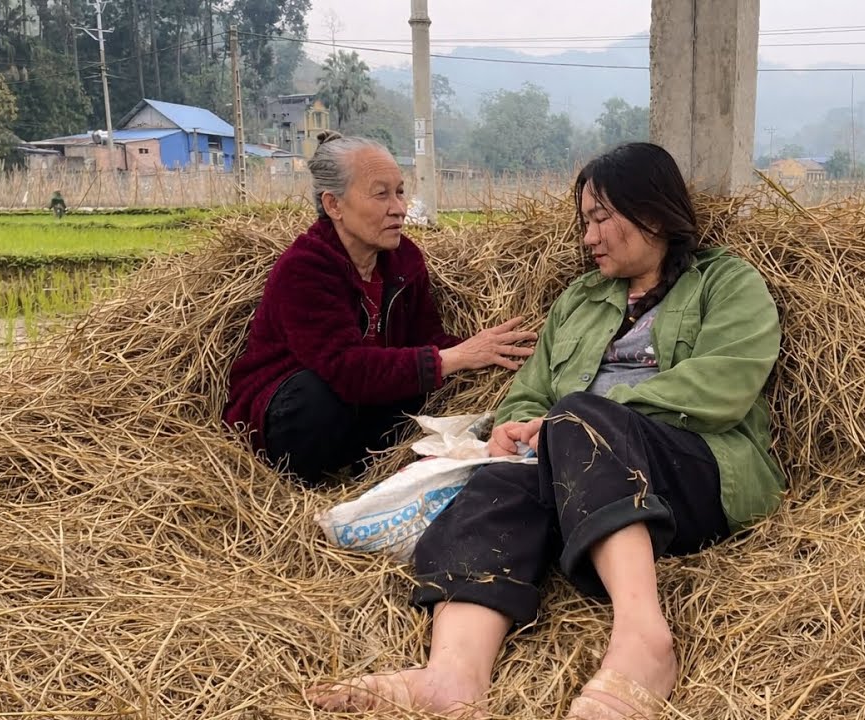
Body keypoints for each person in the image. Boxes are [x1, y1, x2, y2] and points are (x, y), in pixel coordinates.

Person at [309, 142, 785, 718]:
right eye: (585, 222)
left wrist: (572, 419)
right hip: (579, 473)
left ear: (653, 214)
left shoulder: (726, 283)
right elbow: (531, 390)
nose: (588, 238)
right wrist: (514, 427)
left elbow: (725, 383)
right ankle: (452, 676)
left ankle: (644, 643)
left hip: (694, 471)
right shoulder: (580, 301)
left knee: (581, 418)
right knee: (495, 485)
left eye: (600, 219)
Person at [223, 131, 536, 485]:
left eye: (400, 192)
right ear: (334, 205)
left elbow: (427, 338)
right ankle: (308, 480)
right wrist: (456, 357)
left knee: (415, 388)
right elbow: (346, 369)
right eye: (381, 194)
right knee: (319, 396)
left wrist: (482, 350)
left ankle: (366, 468)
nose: (399, 208)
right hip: (290, 419)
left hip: (360, 411)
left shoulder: (404, 259)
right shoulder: (305, 268)